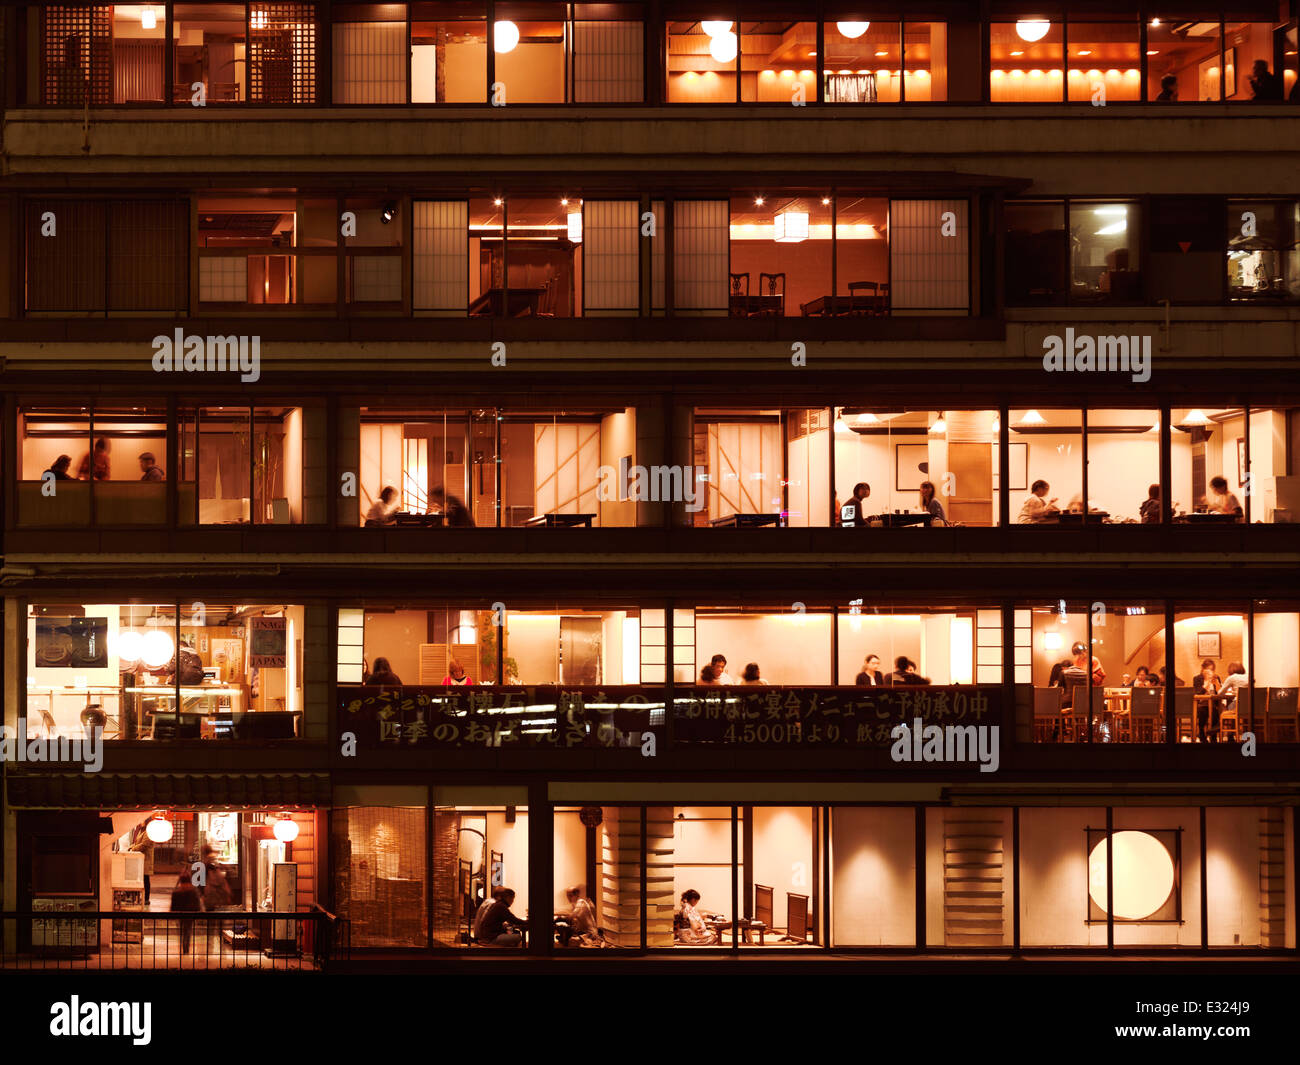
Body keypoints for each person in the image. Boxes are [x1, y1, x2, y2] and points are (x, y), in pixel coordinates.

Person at [169, 867, 202, 955]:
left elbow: (173, 906)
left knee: (181, 930)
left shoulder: (177, 892)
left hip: (180, 914)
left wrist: (172, 913)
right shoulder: (193, 891)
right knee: (188, 930)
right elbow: (197, 905)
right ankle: (186, 947)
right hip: (190, 915)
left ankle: (183, 945)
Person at [1193, 658, 1223, 741]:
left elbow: (1220, 693)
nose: (1211, 672)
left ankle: (1213, 736)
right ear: (1203, 669)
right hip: (1201, 704)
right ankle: (1202, 734)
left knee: (1215, 713)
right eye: (1209, 669)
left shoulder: (1216, 678)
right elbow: (1198, 694)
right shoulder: (1197, 678)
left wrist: (1216, 683)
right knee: (1203, 712)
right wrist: (1207, 683)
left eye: (1212, 670)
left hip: (1213, 704)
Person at [128, 820, 156, 904]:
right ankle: (142, 898)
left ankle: (146, 899)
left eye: (142, 820)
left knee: (145, 879)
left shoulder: (148, 832)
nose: (140, 822)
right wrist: (131, 847)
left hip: (145, 859)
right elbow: (137, 843)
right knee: (143, 879)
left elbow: (144, 844)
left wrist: (133, 848)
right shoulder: (143, 831)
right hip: (142, 859)